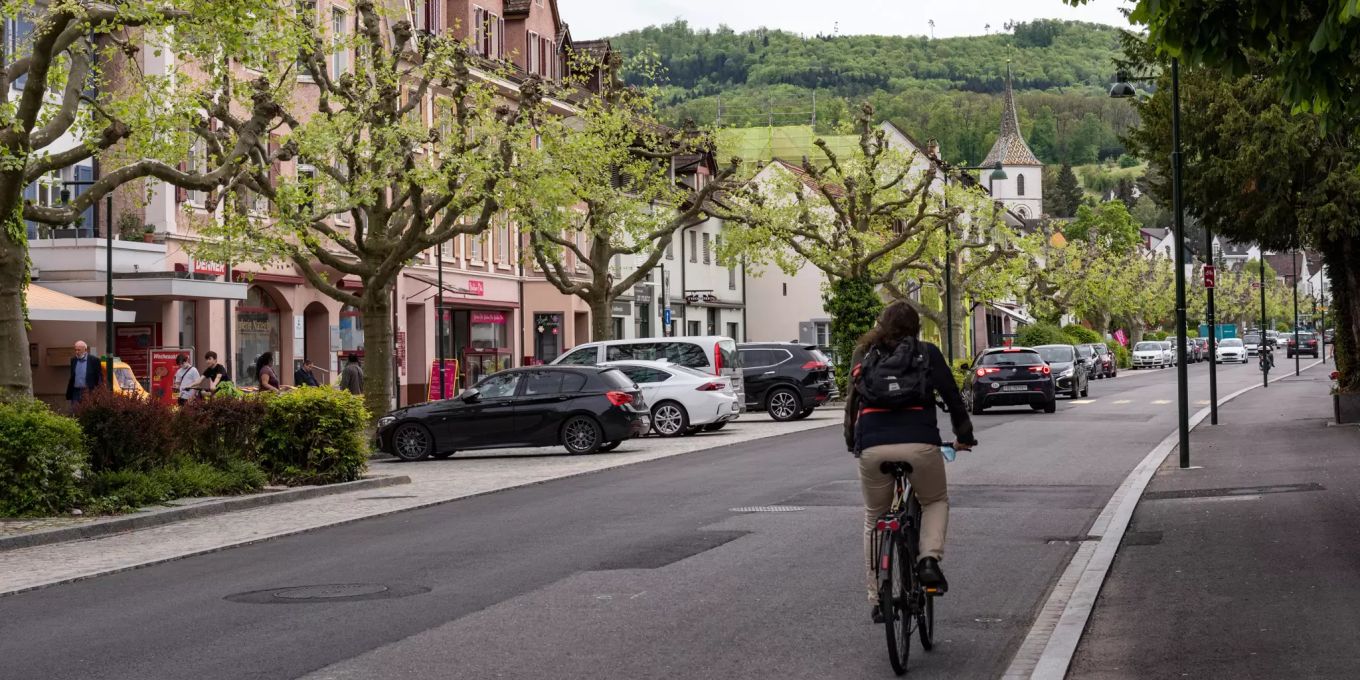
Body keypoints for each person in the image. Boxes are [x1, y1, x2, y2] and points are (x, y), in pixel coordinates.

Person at [844, 302, 976, 621]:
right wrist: (964, 436)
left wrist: (853, 442)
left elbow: (852, 403)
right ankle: (928, 559)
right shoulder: (927, 353)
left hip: (872, 445)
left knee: (875, 516)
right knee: (934, 501)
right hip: (920, 443)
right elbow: (953, 398)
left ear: (882, 325)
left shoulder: (864, 353)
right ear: (916, 328)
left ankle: (879, 598)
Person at [66, 340, 103, 409]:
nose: (77, 352)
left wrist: (98, 392)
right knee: (75, 411)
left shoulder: (94, 360)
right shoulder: (73, 360)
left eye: (79, 350)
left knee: (88, 410)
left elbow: (99, 377)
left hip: (89, 391)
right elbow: (72, 376)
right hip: (76, 391)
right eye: (75, 350)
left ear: (85, 350)